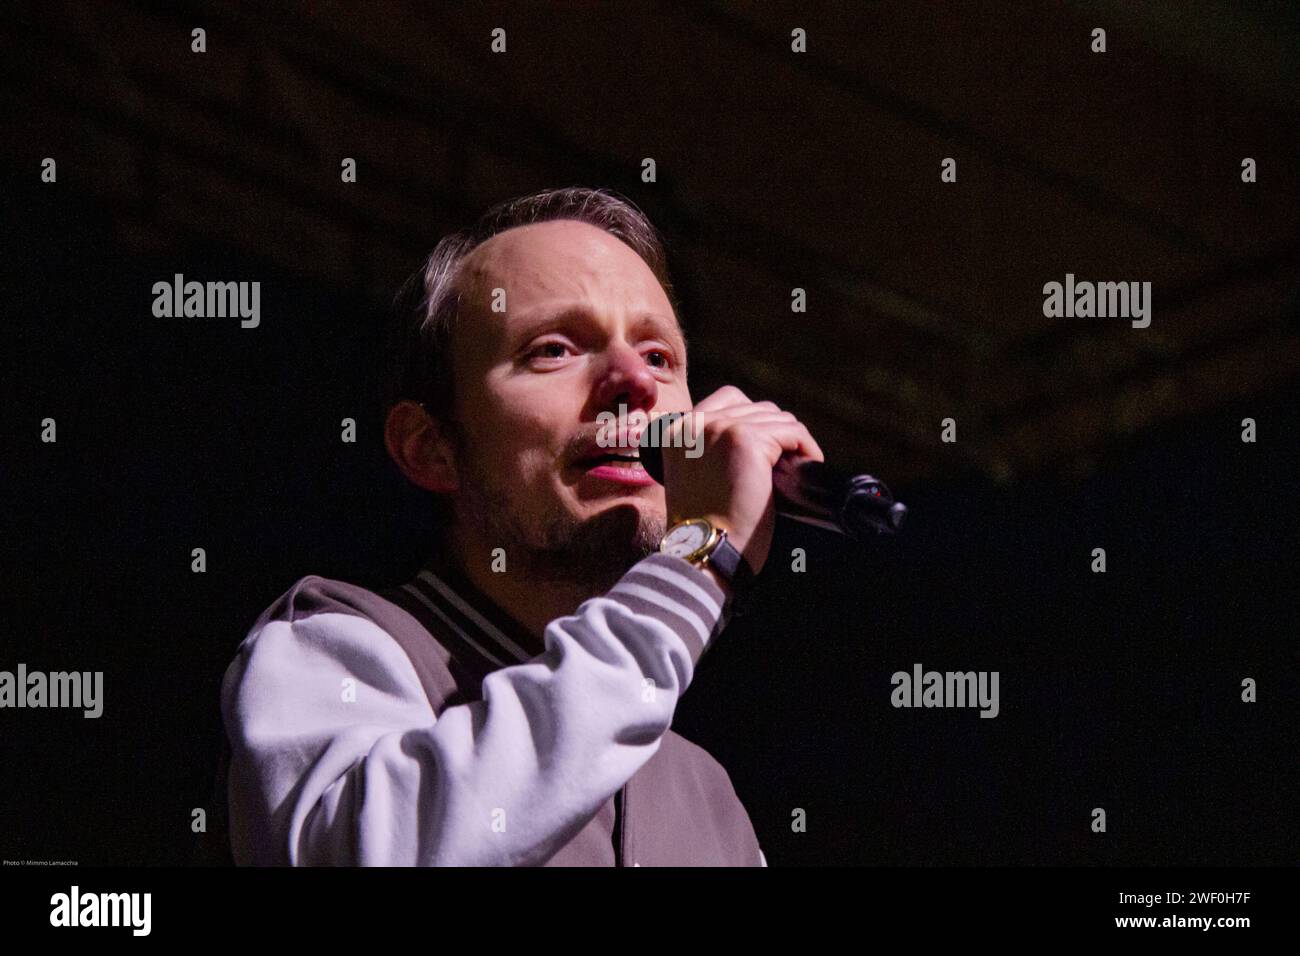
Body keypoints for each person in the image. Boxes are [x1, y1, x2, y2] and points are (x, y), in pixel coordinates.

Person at [220, 186, 824, 866]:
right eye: (555, 349)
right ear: (431, 446)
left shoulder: (703, 795)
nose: (633, 381)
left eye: (659, 357)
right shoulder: (328, 644)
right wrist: (700, 553)